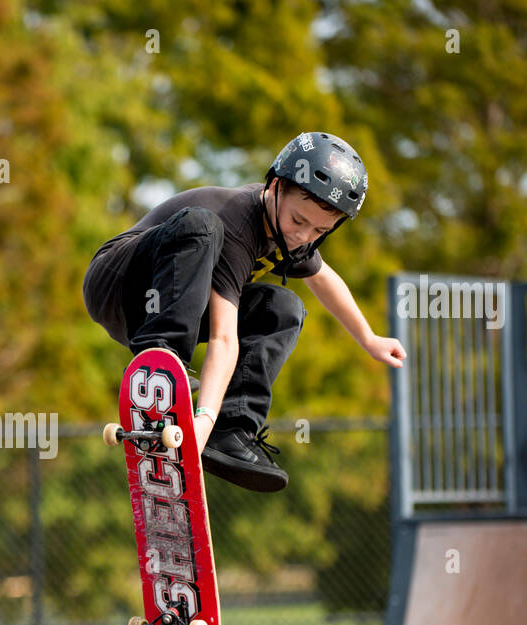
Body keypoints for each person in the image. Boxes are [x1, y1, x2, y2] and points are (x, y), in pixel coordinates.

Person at [83, 131, 406, 491]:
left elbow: (324, 277)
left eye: (320, 230)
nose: (303, 236)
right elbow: (224, 338)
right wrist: (200, 419)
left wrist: (368, 338)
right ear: (276, 187)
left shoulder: (292, 236)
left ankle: (232, 430)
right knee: (202, 225)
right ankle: (165, 365)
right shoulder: (239, 221)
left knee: (283, 308)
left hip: (164, 303)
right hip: (117, 283)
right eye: (299, 221)